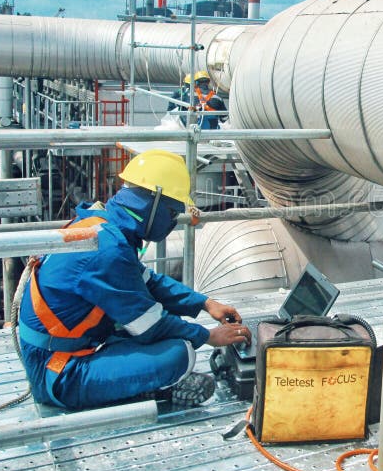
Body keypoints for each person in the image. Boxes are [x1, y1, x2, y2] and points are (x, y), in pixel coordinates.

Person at [18, 149, 251, 409]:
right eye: (172, 213)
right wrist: (208, 336)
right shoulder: (106, 250)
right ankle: (142, 392)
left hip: (61, 351)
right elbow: (151, 325)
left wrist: (205, 303)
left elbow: (149, 282)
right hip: (59, 373)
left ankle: (130, 381)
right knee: (179, 354)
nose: (174, 221)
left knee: (165, 334)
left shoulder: (103, 228)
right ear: (155, 204)